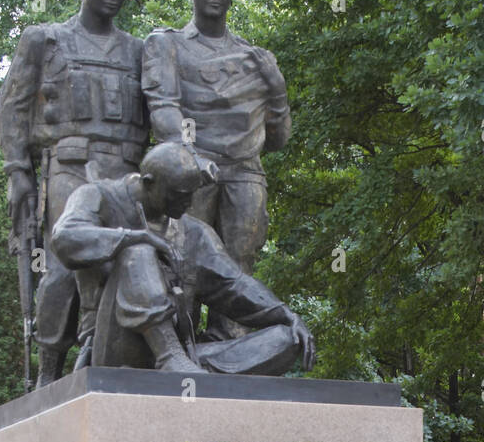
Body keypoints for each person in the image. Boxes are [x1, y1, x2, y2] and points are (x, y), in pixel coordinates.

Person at [0, 0, 148, 386]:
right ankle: (49, 371)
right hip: (68, 167)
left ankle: (107, 353)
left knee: (129, 258)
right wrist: (17, 171)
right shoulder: (45, 41)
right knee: (67, 259)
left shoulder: (140, 50)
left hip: (126, 173)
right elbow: (12, 106)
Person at [50, 142, 315, 377]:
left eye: (191, 194)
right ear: (149, 182)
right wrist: (133, 237)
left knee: (288, 338)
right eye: (179, 195)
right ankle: (168, 358)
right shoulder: (97, 196)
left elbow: (234, 286)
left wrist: (287, 315)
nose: (187, 203)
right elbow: (64, 238)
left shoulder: (194, 232)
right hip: (117, 352)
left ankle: (185, 373)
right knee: (138, 251)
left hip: (188, 357)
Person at [141, 0, 290, 340]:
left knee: (240, 263)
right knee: (183, 263)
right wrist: (191, 156)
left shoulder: (254, 58)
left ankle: (230, 345)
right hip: (191, 172)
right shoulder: (166, 44)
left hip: (245, 173)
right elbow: (164, 109)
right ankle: (179, 344)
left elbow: (277, 139)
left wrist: (277, 90)